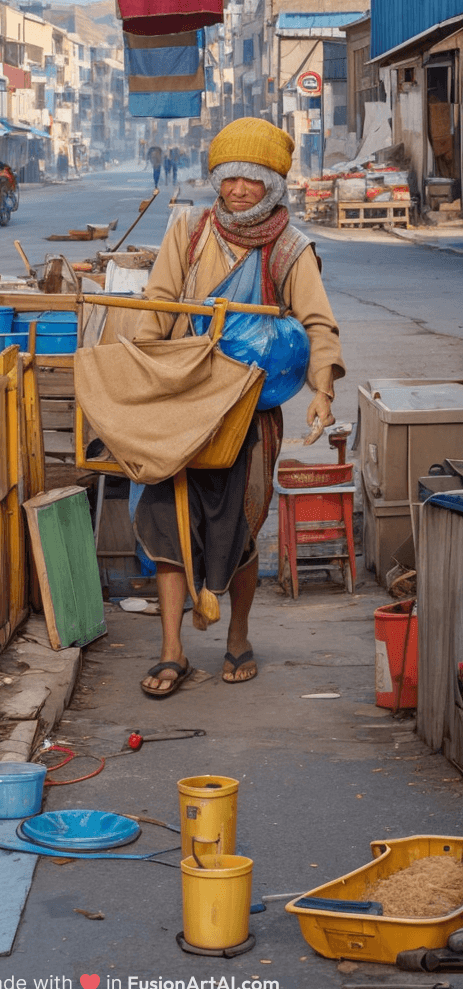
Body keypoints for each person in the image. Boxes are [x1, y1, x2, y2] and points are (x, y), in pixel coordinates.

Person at [134, 117, 345, 697]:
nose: (239, 191)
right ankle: (173, 650)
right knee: (168, 521)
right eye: (230, 180)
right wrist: (147, 370)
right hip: (184, 402)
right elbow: (156, 303)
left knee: (243, 526)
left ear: (273, 186)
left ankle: (239, 636)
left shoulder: (290, 248)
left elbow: (318, 323)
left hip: (249, 410)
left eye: (252, 181)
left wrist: (322, 390)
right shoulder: (190, 231)